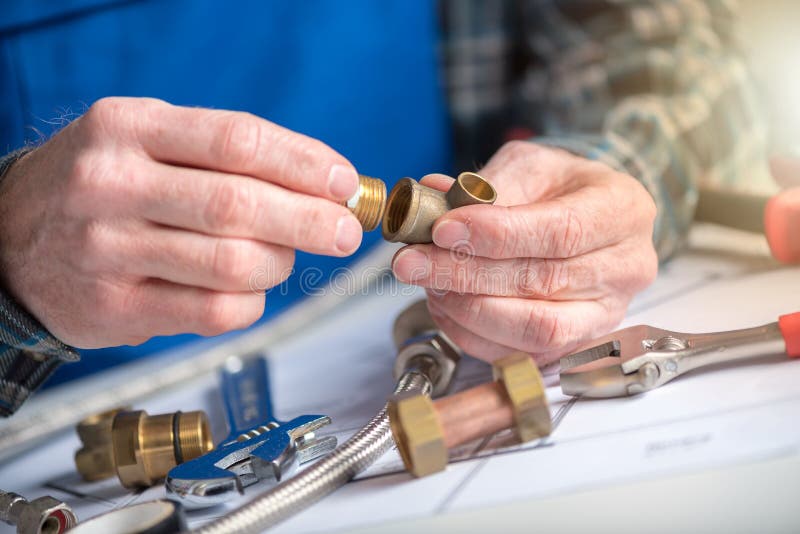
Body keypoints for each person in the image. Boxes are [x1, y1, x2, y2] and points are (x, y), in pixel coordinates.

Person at [0, 1, 772, 416]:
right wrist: (10, 255)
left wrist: (614, 177)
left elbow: (668, 51)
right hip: (55, 420)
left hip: (382, 347)